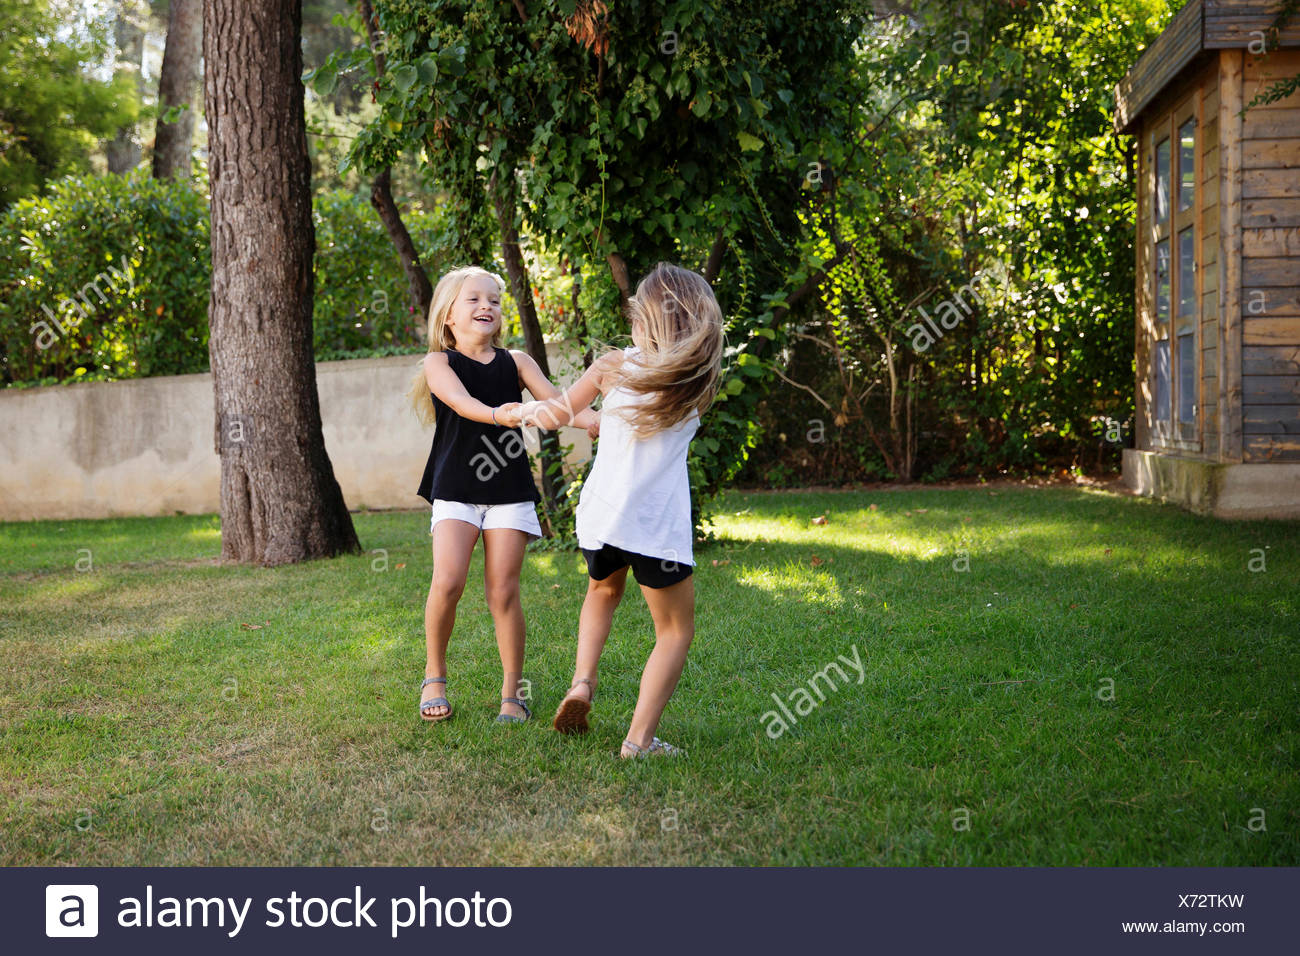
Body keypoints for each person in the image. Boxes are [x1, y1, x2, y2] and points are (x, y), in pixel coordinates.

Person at [517, 263, 723, 757]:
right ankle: (638, 741)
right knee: (674, 630)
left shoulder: (612, 366)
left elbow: (558, 413)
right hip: (655, 528)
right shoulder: (695, 379)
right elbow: (648, 430)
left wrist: (526, 410)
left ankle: (582, 684)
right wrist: (606, 423)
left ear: (643, 320)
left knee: (602, 591)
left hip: (601, 519)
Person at [409, 265, 595, 723]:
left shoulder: (518, 361)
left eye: (493, 299)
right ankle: (434, 674)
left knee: (503, 593)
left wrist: (594, 420)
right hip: (455, 487)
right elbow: (460, 403)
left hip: (509, 492)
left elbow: (556, 406)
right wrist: (504, 415)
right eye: (472, 299)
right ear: (448, 316)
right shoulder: (439, 362)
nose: (485, 306)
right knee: (448, 582)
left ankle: (513, 694)